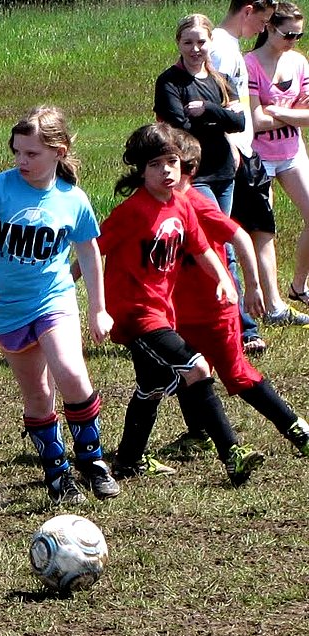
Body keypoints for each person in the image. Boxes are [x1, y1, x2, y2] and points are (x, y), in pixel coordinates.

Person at [0, 105, 119, 503]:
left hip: (53, 298)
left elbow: (89, 253)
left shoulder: (73, 199)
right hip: (5, 308)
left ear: (60, 150)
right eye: (17, 152)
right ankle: (57, 473)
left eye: (32, 153)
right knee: (38, 393)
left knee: (70, 372)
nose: (22, 161)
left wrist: (97, 308)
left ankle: (92, 461)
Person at [99, 122, 265, 485]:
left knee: (152, 387)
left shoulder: (181, 205)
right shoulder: (133, 212)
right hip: (135, 315)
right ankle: (231, 452)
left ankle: (128, 461)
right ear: (141, 170)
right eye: (156, 164)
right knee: (197, 367)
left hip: (163, 311)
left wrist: (223, 278)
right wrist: (79, 297)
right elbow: (92, 252)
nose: (167, 170)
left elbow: (201, 248)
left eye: (172, 161)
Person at [165, 132, 309, 462]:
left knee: (238, 374)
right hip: (182, 312)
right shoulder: (163, 206)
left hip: (216, 311)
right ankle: (198, 434)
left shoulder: (198, 204)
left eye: (173, 165)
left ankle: (296, 428)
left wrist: (254, 288)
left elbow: (241, 237)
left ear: (189, 170)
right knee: (188, 371)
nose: (166, 174)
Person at [158, 13, 264, 353]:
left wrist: (208, 110)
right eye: (187, 42)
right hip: (192, 176)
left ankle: (219, 322)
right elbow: (178, 122)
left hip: (224, 173)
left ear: (210, 43)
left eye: (201, 42)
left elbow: (238, 120)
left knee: (213, 247)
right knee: (222, 246)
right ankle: (243, 328)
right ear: (178, 43)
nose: (194, 48)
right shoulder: (169, 82)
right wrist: (215, 117)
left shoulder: (218, 81)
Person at [213, 0, 279, 352]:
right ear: (248, 10)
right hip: (230, 158)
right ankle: (243, 326)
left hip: (242, 154)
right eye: (264, 21)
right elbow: (219, 104)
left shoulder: (231, 46)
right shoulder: (221, 49)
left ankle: (242, 323)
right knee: (228, 241)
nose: (262, 29)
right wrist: (232, 150)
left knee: (238, 236)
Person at [245, 2, 309, 323]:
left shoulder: (299, 62)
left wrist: (277, 112)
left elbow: (308, 116)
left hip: (293, 153)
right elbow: (254, 121)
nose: (294, 41)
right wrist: (290, 113)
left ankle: (299, 287)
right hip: (259, 158)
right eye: (288, 34)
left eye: (299, 35)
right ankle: (272, 305)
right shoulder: (250, 63)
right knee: (263, 230)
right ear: (269, 27)